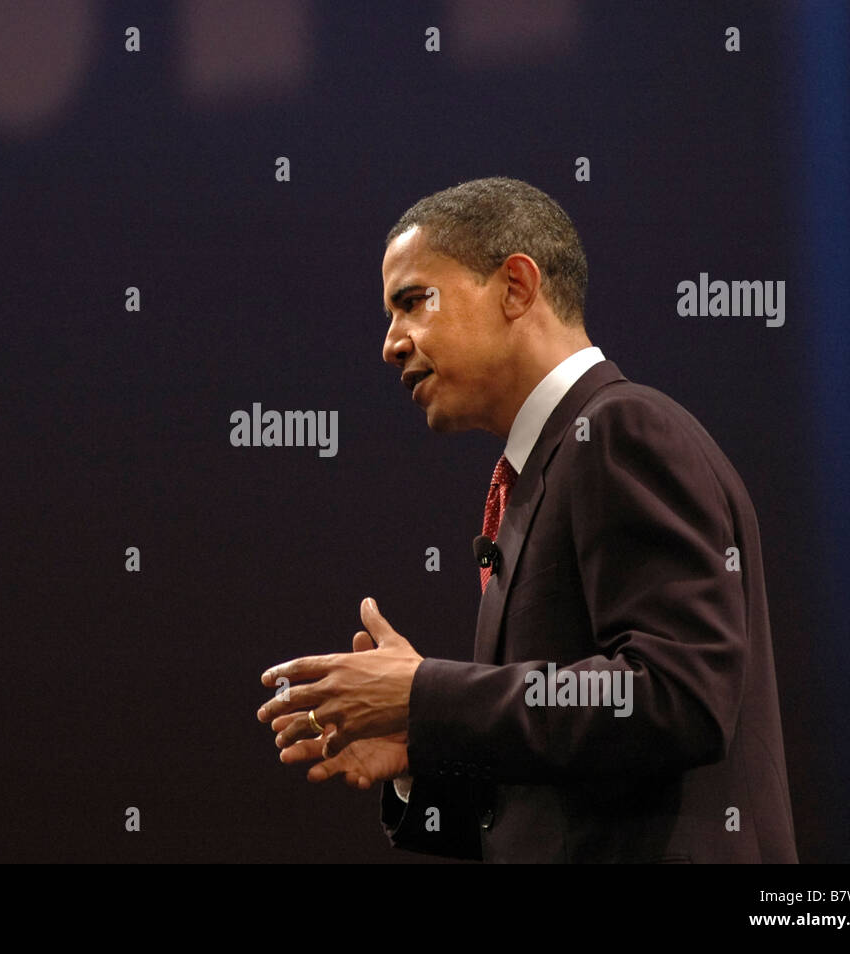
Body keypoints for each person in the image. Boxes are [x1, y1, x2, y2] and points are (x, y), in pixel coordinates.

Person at [256, 177, 798, 863]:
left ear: (516, 286)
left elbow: (678, 699)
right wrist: (419, 750)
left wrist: (428, 694)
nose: (392, 343)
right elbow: (549, 811)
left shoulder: (621, 430)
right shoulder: (549, 467)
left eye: (413, 302)